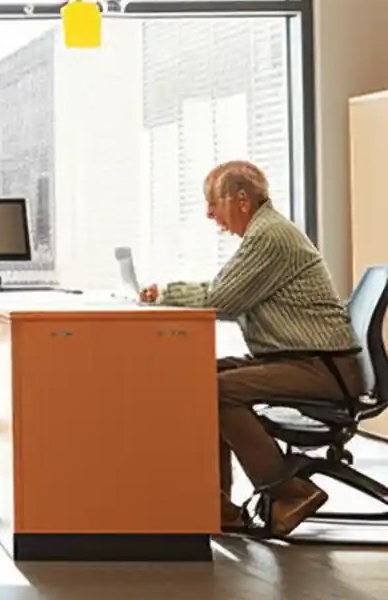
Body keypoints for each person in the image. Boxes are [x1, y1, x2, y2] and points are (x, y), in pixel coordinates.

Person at [139, 161, 363, 536]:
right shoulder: (263, 233)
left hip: (321, 367)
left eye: (214, 203)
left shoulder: (269, 237)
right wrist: (166, 294)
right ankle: (217, 504)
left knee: (214, 389)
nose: (210, 214)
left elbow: (221, 299)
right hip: (302, 359)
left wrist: (165, 295)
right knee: (201, 375)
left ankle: (289, 491)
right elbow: (222, 288)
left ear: (241, 199)